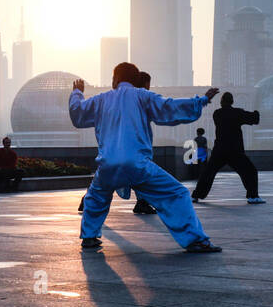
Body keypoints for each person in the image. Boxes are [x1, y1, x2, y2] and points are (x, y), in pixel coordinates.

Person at [70, 62, 222, 253]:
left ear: (115, 79)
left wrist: (77, 93)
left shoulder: (101, 100)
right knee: (176, 194)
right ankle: (195, 240)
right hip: (137, 164)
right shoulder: (142, 96)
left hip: (107, 165)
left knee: (96, 197)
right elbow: (169, 107)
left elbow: (78, 114)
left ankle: (89, 237)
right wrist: (200, 101)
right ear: (136, 80)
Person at [191, 92, 264, 204]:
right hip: (235, 150)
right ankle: (253, 196)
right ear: (232, 101)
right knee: (250, 171)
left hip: (220, 150)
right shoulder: (238, 113)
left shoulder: (217, 114)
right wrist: (256, 111)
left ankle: (196, 195)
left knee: (208, 173)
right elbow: (254, 119)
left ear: (221, 102)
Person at [131, 71, 158, 215]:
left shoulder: (130, 98)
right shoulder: (143, 98)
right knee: (142, 173)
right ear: (146, 83)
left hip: (129, 144)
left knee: (108, 176)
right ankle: (142, 202)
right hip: (137, 145)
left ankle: (87, 200)